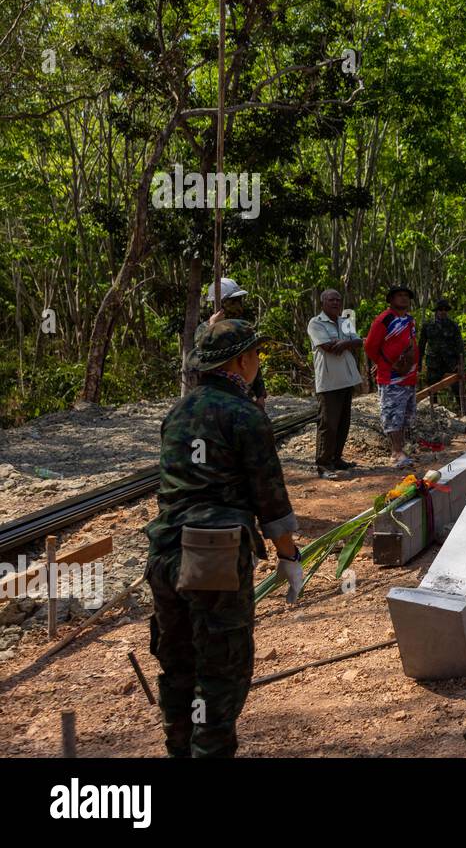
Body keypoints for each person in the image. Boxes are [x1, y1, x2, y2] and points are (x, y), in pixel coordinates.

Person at [144, 319, 302, 757]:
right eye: (255, 356)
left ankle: (180, 748)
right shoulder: (245, 415)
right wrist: (289, 557)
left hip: (164, 553)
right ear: (243, 360)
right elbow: (269, 497)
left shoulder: (177, 413)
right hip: (213, 557)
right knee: (220, 672)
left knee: (177, 665)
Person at [306, 289, 363, 479]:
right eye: (331, 299)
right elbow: (328, 347)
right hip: (329, 382)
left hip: (347, 379)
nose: (336, 303)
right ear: (323, 302)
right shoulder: (316, 323)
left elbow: (357, 342)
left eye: (338, 299)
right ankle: (323, 464)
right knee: (328, 424)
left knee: (343, 423)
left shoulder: (345, 321)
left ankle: (337, 458)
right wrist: (344, 343)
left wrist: (344, 343)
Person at [364, 286, 420, 468]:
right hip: (392, 377)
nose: (404, 299)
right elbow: (370, 346)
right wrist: (383, 363)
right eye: (399, 296)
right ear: (391, 299)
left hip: (409, 376)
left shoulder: (410, 320)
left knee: (405, 415)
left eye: (406, 296)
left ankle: (401, 449)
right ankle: (396, 452)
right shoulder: (384, 319)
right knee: (393, 414)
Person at [205, 277, 267, 411]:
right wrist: (212, 328)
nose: (238, 306)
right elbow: (202, 363)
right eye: (233, 302)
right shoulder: (205, 333)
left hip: (244, 397)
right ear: (221, 304)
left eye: (239, 301)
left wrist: (260, 394)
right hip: (217, 399)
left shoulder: (242, 329)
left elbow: (253, 362)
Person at [419, 298, 465, 411]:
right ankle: (433, 414)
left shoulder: (453, 325)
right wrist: (418, 363)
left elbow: (459, 345)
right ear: (436, 311)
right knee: (432, 390)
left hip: (451, 363)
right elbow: (421, 345)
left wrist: (460, 363)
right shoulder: (428, 326)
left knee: (458, 389)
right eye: (440, 309)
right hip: (433, 363)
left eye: (445, 309)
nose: (443, 312)